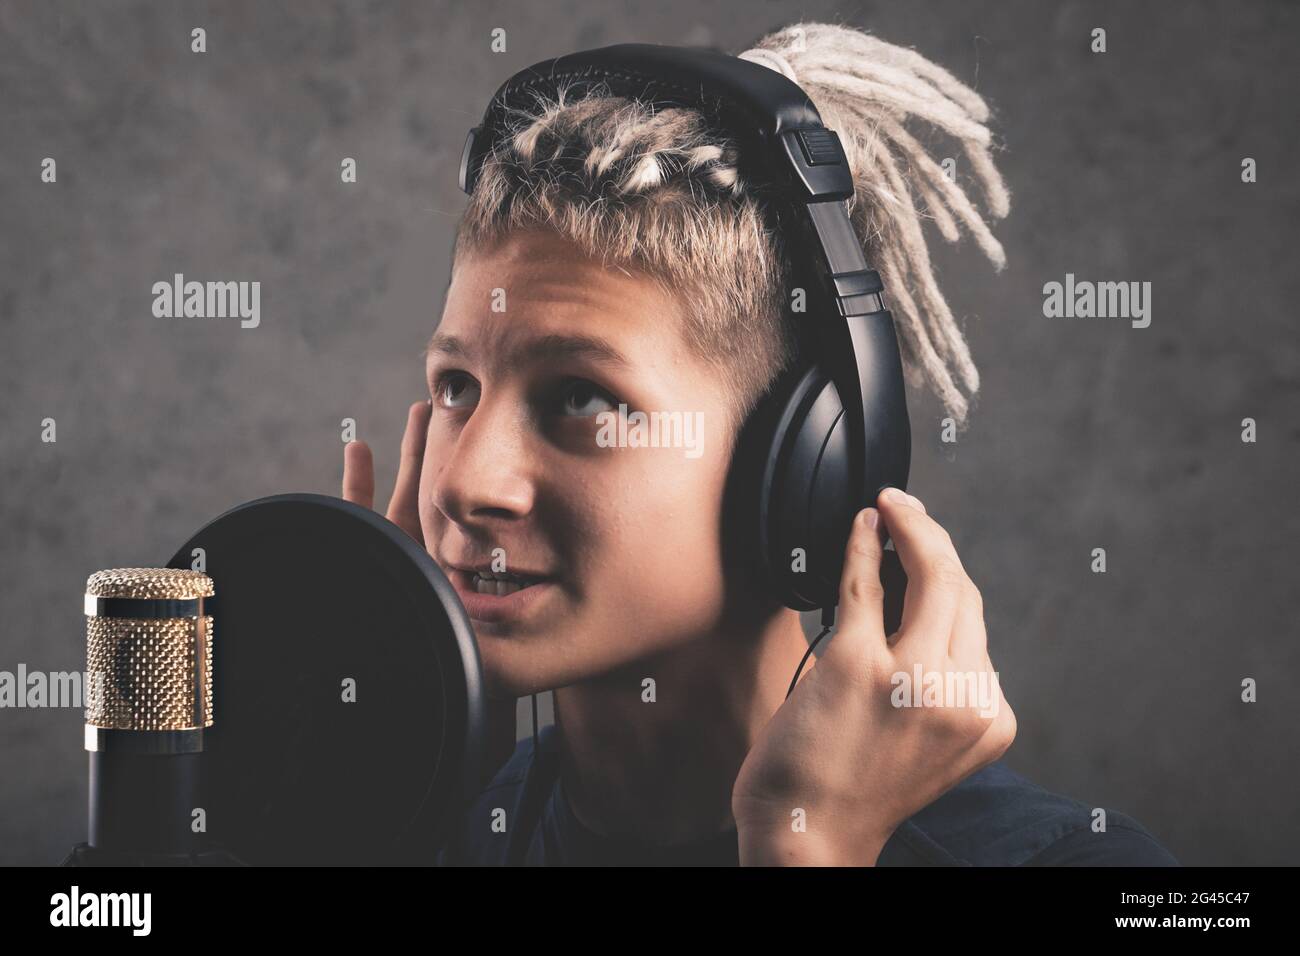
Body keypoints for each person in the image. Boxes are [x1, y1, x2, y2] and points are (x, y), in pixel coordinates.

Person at [341, 22, 1178, 866]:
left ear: (807, 464)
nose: (466, 484)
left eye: (580, 397)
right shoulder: (413, 826)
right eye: (456, 388)